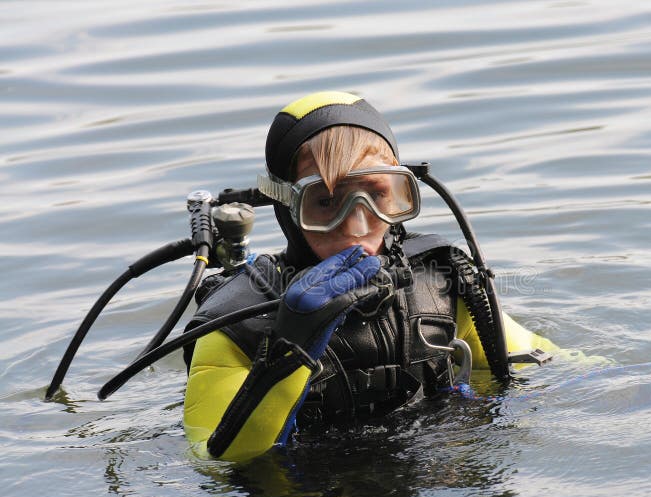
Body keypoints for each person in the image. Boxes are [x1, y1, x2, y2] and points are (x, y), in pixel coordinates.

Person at [182, 91, 558, 461]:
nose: (358, 225)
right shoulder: (236, 324)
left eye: (376, 195)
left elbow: (557, 369)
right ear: (287, 207)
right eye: (326, 202)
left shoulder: (439, 286)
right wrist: (290, 350)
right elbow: (218, 460)